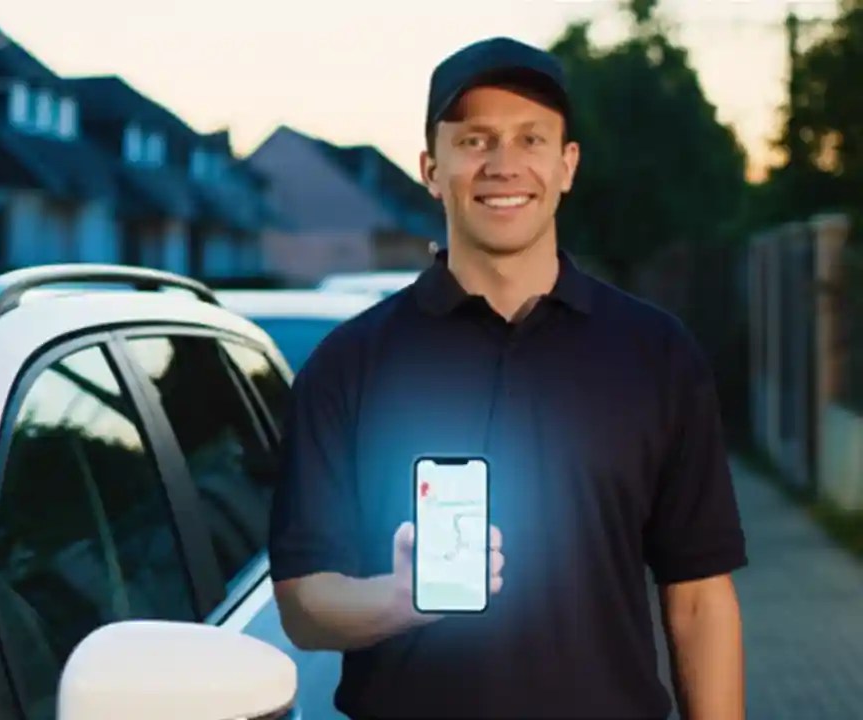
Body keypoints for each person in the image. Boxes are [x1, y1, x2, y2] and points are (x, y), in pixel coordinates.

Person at [268, 36, 747, 719]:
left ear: (567, 164)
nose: (503, 165)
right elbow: (302, 604)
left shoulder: (656, 354)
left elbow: (699, 596)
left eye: (531, 139)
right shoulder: (347, 366)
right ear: (432, 168)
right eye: (474, 140)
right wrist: (399, 601)